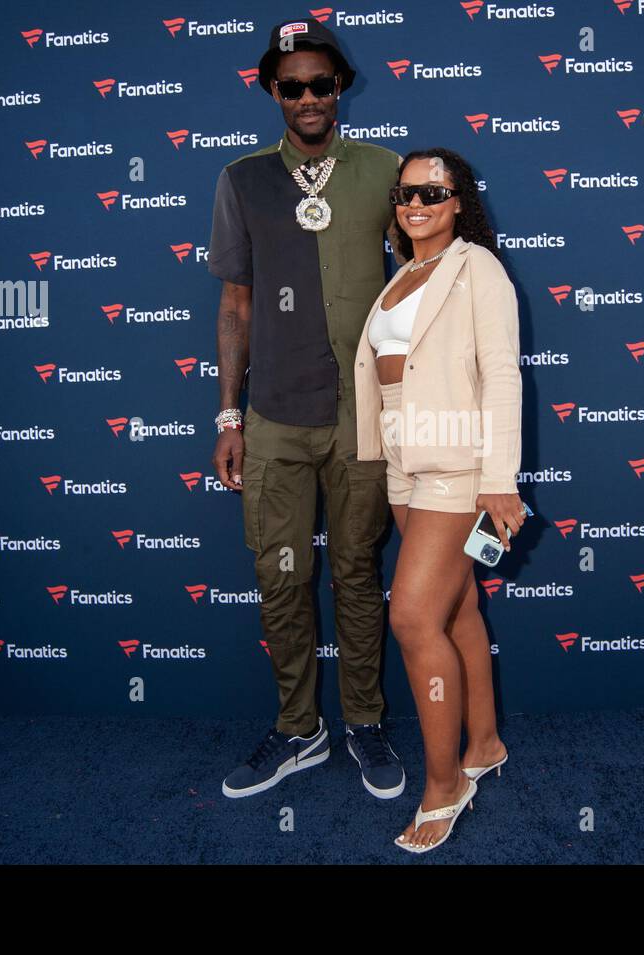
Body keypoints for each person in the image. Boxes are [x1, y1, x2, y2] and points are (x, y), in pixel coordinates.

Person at [206, 18, 408, 800]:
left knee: (356, 573)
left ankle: (363, 720)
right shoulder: (243, 180)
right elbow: (235, 305)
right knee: (282, 575)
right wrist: (230, 416)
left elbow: (424, 278)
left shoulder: (384, 169)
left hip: (363, 417)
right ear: (272, 91)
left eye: (321, 82)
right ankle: (300, 728)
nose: (309, 97)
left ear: (340, 86)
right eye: (292, 85)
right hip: (277, 421)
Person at [353, 148, 525, 851]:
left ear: (459, 201)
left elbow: (503, 374)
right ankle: (483, 743)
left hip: (458, 464)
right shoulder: (404, 275)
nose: (415, 202)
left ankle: (445, 784)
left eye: (432, 190)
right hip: (405, 462)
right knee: (457, 609)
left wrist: (501, 478)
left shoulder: (475, 266)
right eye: (405, 191)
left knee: (413, 616)